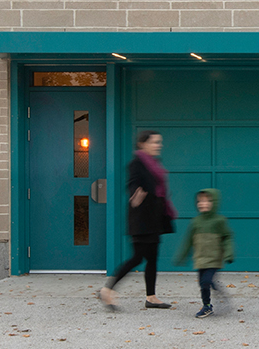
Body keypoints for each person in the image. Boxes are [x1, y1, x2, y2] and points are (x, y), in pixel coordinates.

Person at [99, 130, 175, 311]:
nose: (159, 145)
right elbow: (132, 182)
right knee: (137, 257)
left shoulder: (154, 163)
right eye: (155, 142)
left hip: (154, 217)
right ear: (143, 144)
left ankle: (151, 297)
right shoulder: (136, 163)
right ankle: (107, 290)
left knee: (152, 258)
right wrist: (135, 194)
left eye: (159, 142)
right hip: (141, 218)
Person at [174, 189, 234, 318]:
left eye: (207, 201)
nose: (202, 204)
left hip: (214, 259)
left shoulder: (219, 221)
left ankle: (210, 300)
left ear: (214, 202)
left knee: (206, 281)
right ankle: (207, 305)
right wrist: (182, 256)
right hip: (200, 259)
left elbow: (227, 237)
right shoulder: (196, 222)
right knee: (203, 284)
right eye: (200, 201)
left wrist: (229, 253)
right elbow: (188, 241)